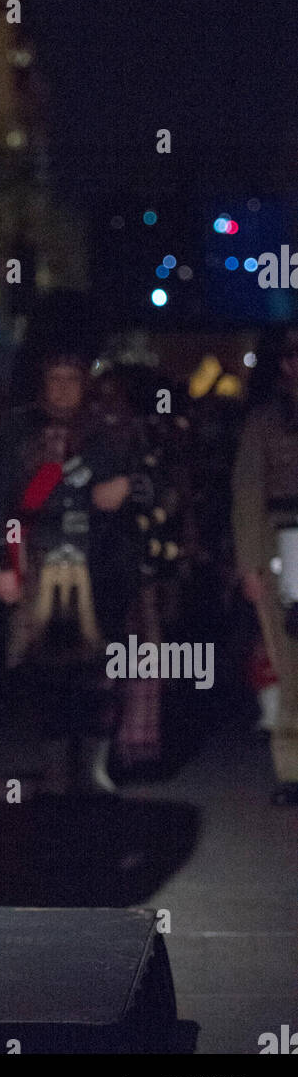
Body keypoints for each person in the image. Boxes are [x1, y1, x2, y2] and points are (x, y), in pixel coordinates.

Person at [0, 349, 132, 793]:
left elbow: (137, 485)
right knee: (45, 667)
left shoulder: (107, 429)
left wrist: (124, 487)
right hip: (41, 557)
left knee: (101, 667)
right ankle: (55, 764)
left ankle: (96, 765)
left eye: (72, 377)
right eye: (55, 377)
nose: (63, 386)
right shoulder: (18, 429)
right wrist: (1, 567)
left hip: (99, 560)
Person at [232, 324, 298, 805]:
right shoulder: (265, 422)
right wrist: (252, 564)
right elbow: (248, 492)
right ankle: (292, 770)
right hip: (284, 549)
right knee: (288, 664)